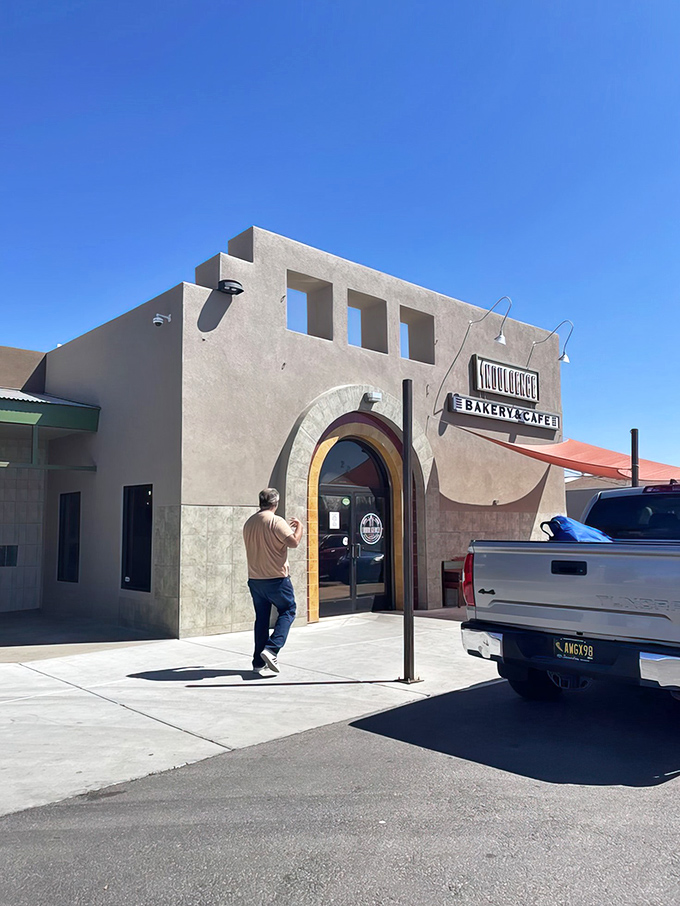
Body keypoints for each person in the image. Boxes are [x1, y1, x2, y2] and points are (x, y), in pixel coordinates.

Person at [243, 488, 304, 675]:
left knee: (261, 619)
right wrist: (300, 527)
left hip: (255, 580)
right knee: (288, 610)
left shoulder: (249, 523)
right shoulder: (276, 521)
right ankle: (272, 649)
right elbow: (293, 542)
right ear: (275, 503)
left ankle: (257, 662)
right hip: (277, 579)